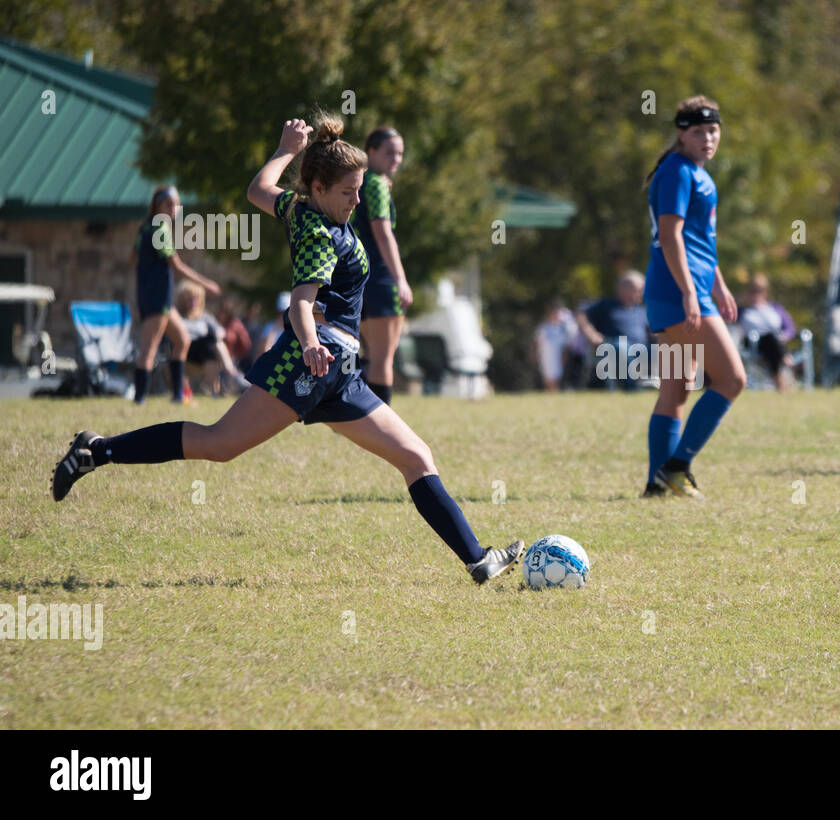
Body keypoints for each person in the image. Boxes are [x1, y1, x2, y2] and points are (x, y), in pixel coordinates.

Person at [51, 114, 524, 585]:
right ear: (318, 188)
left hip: (339, 372)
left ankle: (476, 559)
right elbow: (301, 304)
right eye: (347, 192)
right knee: (218, 445)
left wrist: (284, 150)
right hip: (309, 362)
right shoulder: (319, 232)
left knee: (416, 456)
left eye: (360, 190)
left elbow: (258, 191)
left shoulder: (298, 207)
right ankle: (98, 450)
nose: (357, 200)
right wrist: (313, 343)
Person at [641, 96, 744, 499]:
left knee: (677, 388)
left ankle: (656, 485)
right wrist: (689, 292)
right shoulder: (678, 172)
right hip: (678, 292)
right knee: (732, 379)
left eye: (713, 130)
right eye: (698, 131)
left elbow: (700, 242)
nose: (707, 138)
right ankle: (677, 464)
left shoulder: (697, 173)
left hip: (686, 290)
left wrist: (718, 284)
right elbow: (670, 236)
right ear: (681, 134)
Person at [130, 185, 222, 404]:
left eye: (176, 204)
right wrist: (206, 283)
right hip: (157, 298)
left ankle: (178, 395)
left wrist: (148, 270)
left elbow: (132, 258)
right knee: (149, 349)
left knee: (182, 339)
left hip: (158, 299)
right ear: (157, 206)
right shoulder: (159, 228)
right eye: (168, 203)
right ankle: (139, 399)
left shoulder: (145, 229)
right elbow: (176, 265)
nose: (174, 208)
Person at [353, 127, 411, 406]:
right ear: (371, 152)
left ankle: (356, 415)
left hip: (361, 278)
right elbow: (383, 232)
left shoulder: (359, 182)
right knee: (382, 359)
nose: (396, 158)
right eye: (390, 152)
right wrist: (400, 278)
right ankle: (378, 424)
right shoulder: (374, 183)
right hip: (380, 278)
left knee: (368, 355)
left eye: (400, 153)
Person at [575, 271, 652, 391]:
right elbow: (581, 315)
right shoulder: (606, 305)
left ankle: (669, 390)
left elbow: (652, 332)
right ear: (623, 289)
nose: (641, 294)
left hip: (641, 348)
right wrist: (592, 334)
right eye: (638, 290)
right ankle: (631, 388)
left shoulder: (641, 311)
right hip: (613, 346)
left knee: (665, 348)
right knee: (622, 347)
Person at [175, 282, 250, 396]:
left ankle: (224, 381)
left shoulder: (204, 316)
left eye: (196, 298)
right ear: (183, 299)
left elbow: (220, 332)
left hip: (204, 352)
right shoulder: (177, 316)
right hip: (184, 350)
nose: (193, 302)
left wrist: (216, 334)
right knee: (212, 344)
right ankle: (233, 375)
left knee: (214, 344)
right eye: (189, 298)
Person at [738, 273, 796, 392]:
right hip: (752, 344)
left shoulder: (775, 308)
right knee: (770, 339)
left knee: (772, 341)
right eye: (753, 291)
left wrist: (785, 336)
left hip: (776, 343)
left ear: (765, 292)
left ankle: (779, 378)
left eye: (759, 291)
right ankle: (786, 361)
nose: (756, 294)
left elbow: (790, 328)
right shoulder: (742, 310)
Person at [534, 300, 579, 393]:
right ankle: (552, 393)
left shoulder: (563, 328)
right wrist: (536, 354)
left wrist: (565, 355)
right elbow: (538, 341)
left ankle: (555, 392)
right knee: (548, 376)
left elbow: (567, 344)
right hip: (546, 356)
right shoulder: (544, 327)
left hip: (558, 356)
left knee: (557, 376)